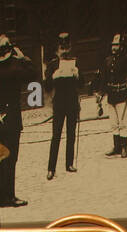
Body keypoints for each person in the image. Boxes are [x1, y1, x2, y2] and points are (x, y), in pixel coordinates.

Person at [0, 35, 32, 207]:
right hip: (13, 119)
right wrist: (24, 59)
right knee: (11, 158)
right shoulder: (16, 70)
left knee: (0, 159)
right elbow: (33, 75)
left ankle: (0, 196)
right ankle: (10, 196)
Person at [45, 31, 80, 179]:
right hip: (59, 104)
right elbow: (46, 86)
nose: (64, 52)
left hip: (72, 103)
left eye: (66, 49)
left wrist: (78, 74)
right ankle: (51, 168)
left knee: (71, 135)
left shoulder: (74, 62)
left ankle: (69, 163)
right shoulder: (53, 64)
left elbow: (82, 83)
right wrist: (54, 76)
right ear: (57, 50)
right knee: (56, 136)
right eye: (62, 49)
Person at [99, 34, 127, 158]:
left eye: (117, 45)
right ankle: (116, 147)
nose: (114, 48)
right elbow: (103, 79)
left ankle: (124, 147)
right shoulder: (107, 61)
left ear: (121, 47)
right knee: (113, 123)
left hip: (122, 94)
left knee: (123, 122)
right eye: (113, 45)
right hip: (111, 96)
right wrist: (100, 93)